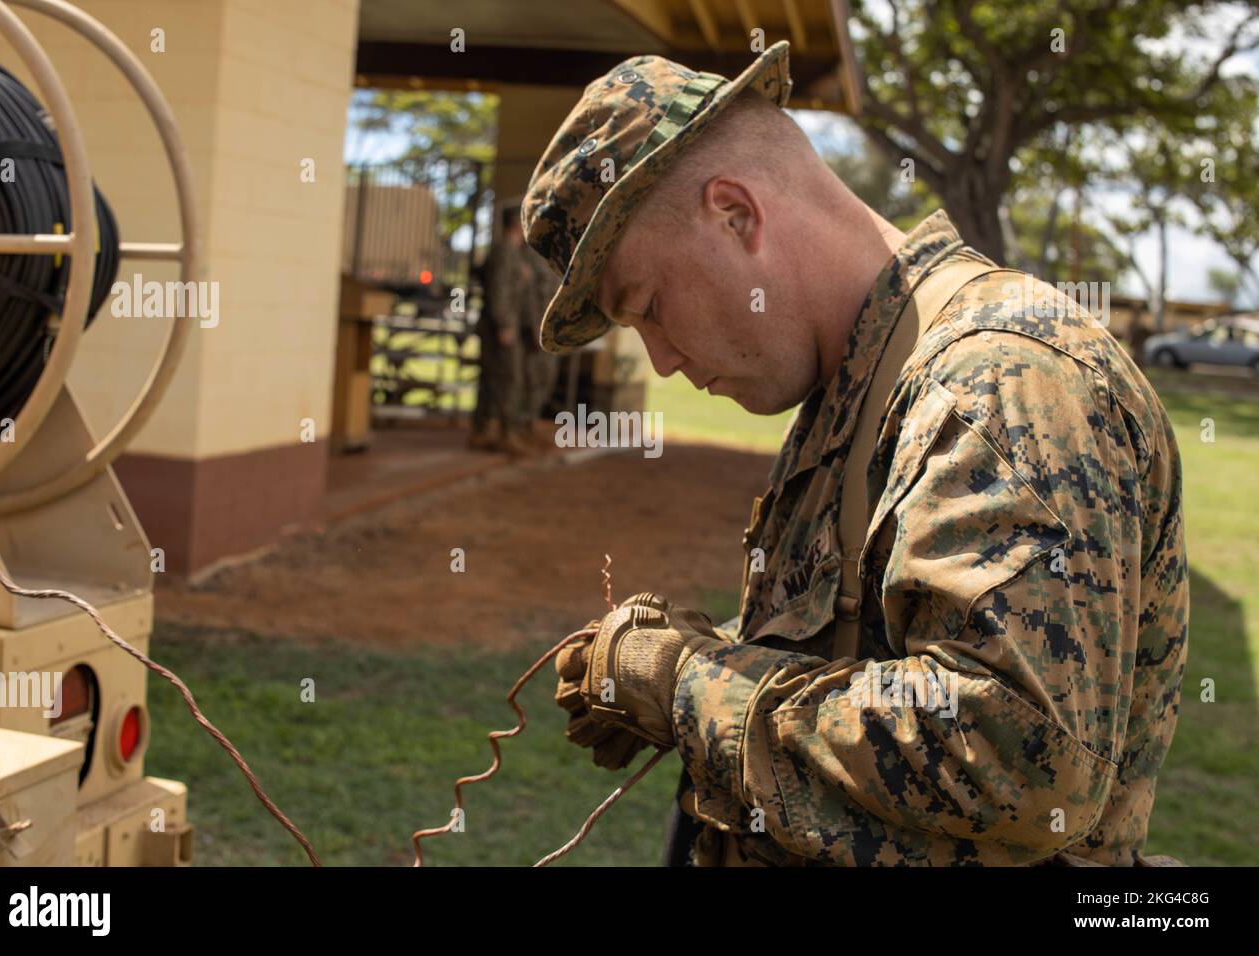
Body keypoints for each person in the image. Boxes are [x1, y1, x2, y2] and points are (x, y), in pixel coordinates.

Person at [522, 42, 1188, 866]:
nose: (661, 360)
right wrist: (723, 649)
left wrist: (689, 683)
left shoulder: (1000, 378)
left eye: (651, 306)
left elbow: (1016, 757)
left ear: (736, 214)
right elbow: (880, 644)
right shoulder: (857, 385)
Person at [469, 202, 532, 456]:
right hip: (500, 325)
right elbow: (499, 290)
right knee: (508, 377)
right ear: (517, 224)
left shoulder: (512, 253)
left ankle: (483, 429)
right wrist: (504, 325)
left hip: (503, 322)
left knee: (494, 377)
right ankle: (505, 433)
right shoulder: (505, 252)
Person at [518, 242, 562, 441]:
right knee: (529, 379)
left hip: (550, 330)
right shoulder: (529, 255)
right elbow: (527, 297)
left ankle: (529, 423)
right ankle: (520, 426)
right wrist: (534, 326)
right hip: (532, 330)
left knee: (546, 378)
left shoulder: (559, 255)